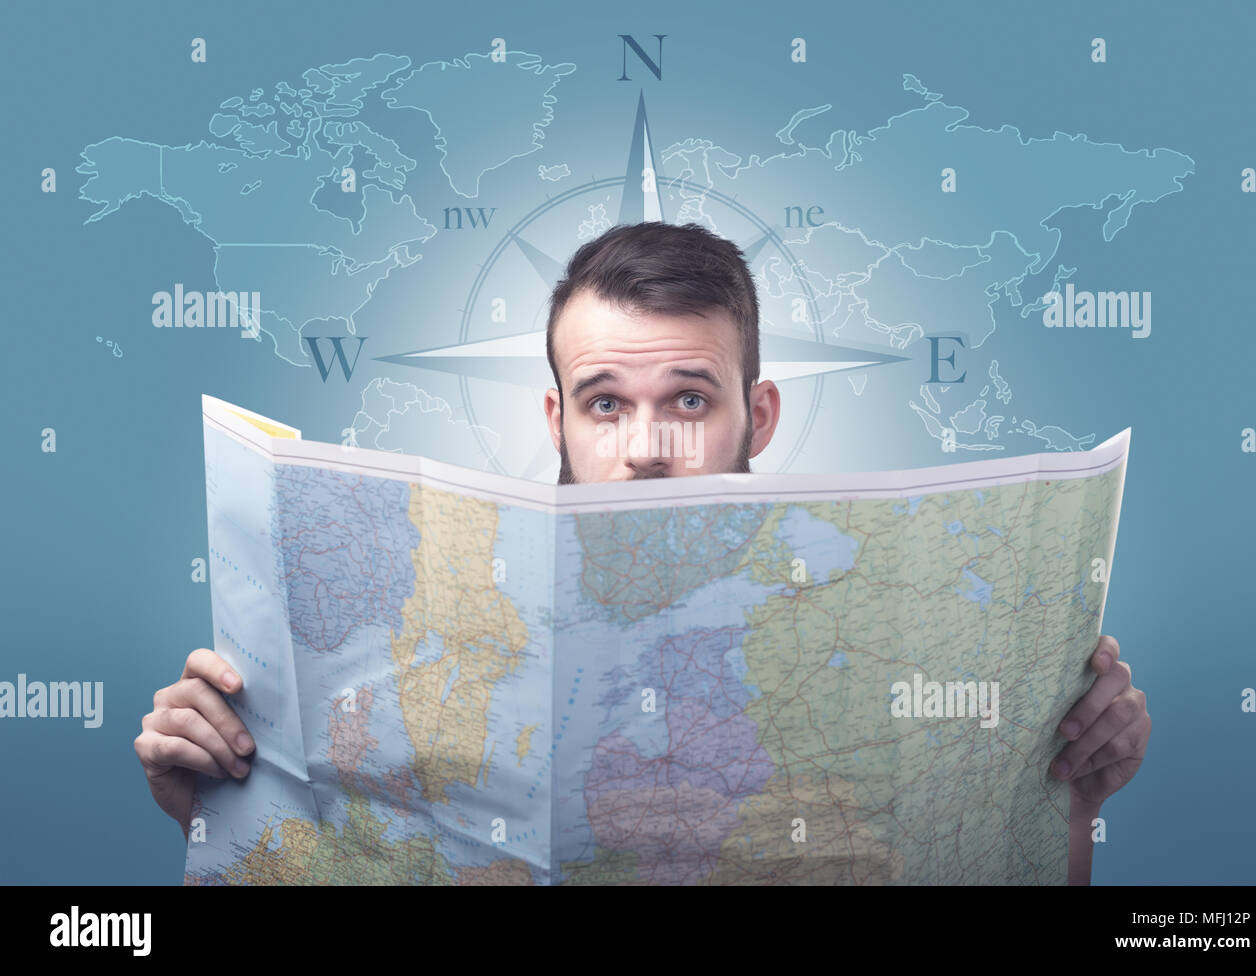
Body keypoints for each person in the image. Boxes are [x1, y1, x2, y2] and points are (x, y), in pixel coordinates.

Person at [136, 221, 1151, 885]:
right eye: (607, 402)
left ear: (756, 417)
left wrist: (1065, 801)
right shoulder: (441, 622)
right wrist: (218, 809)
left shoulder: (868, 613)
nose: (647, 446)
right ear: (558, 419)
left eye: (690, 400)